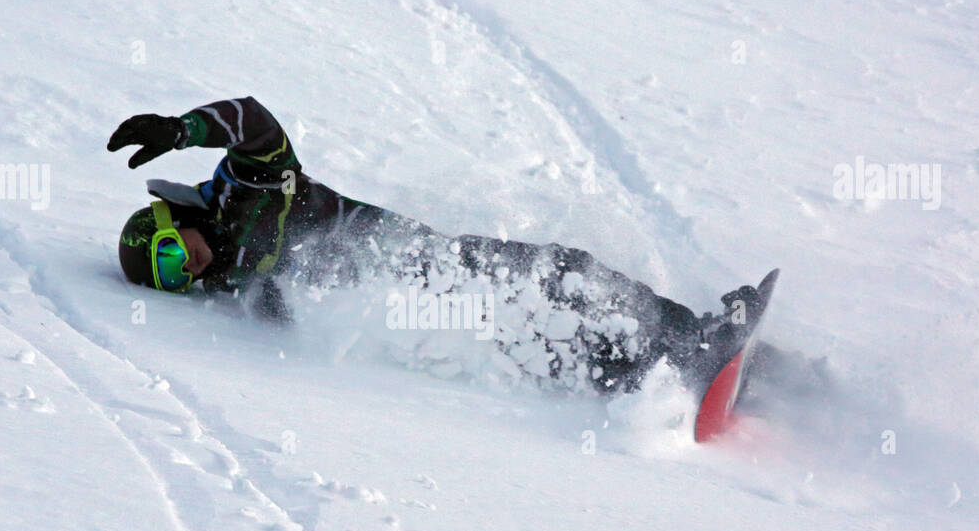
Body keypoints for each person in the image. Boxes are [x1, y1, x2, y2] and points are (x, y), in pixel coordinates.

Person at [109, 96, 762, 393]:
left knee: (563, 281)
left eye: (171, 253)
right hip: (427, 325)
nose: (183, 270)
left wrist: (182, 128)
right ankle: (688, 381)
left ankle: (696, 340)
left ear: (176, 218)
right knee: (552, 352)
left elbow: (255, 121)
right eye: (169, 278)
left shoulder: (237, 195)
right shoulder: (231, 281)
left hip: (430, 266)